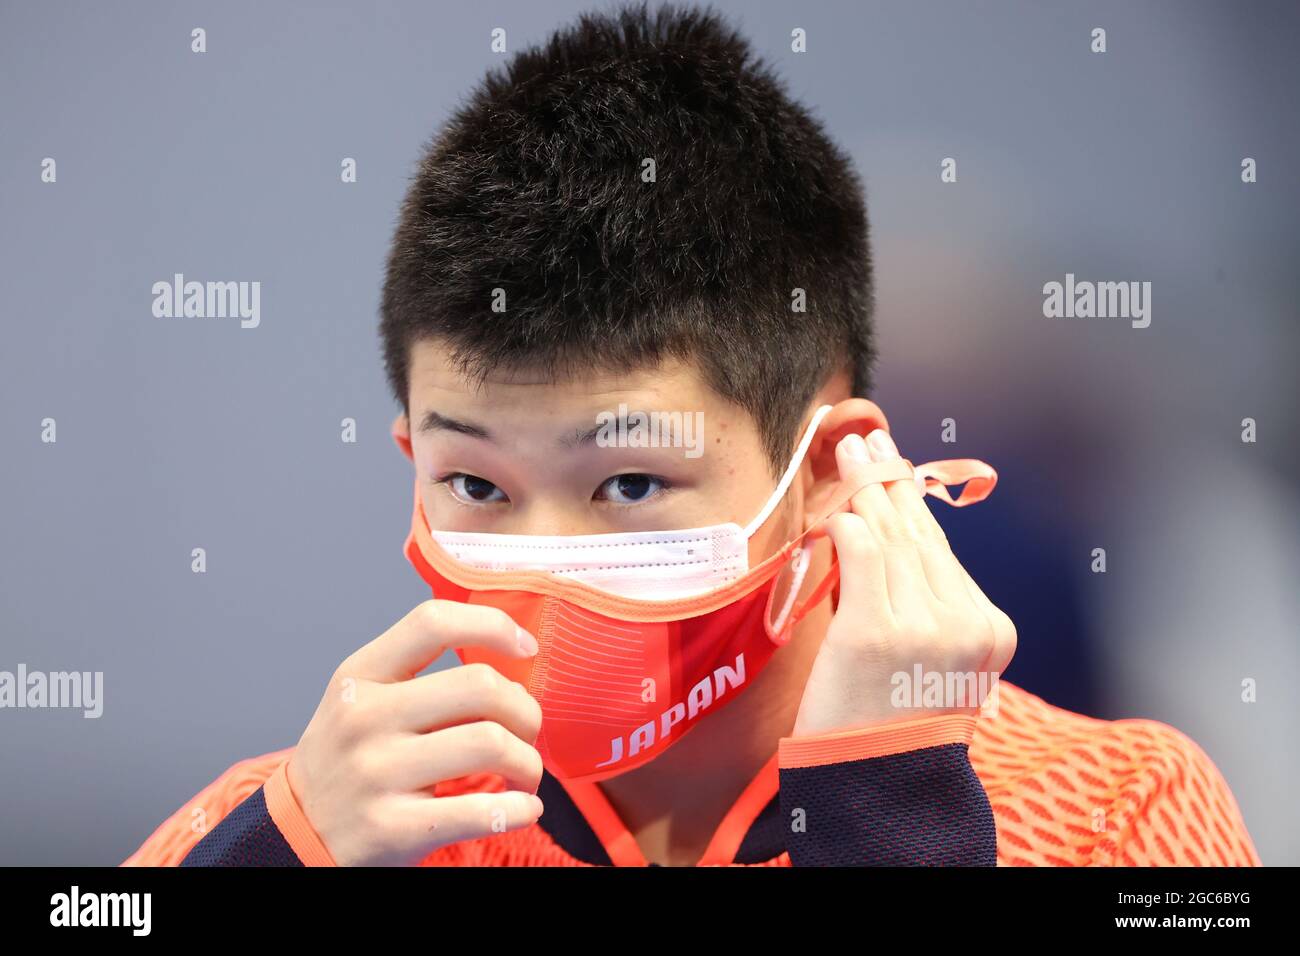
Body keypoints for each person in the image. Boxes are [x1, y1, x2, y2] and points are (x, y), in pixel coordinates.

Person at [122, 3, 1259, 868]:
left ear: (826, 471)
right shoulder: (304, 819)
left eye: (626, 481)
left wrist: (888, 821)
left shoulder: (1123, 807)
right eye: (472, 480)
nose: (544, 553)